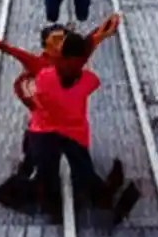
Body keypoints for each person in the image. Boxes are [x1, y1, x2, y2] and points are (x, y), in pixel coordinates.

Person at [0, 14, 121, 179]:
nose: (59, 44)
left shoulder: (75, 57)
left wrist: (106, 27)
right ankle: (30, 166)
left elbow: (91, 40)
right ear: (45, 45)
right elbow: (14, 52)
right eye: (55, 40)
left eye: (62, 39)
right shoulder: (39, 63)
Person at [24, 33, 139, 224]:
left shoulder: (50, 78)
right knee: (50, 170)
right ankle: (53, 198)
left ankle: (76, 194)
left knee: (82, 172)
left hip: (63, 133)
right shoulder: (87, 81)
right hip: (52, 133)